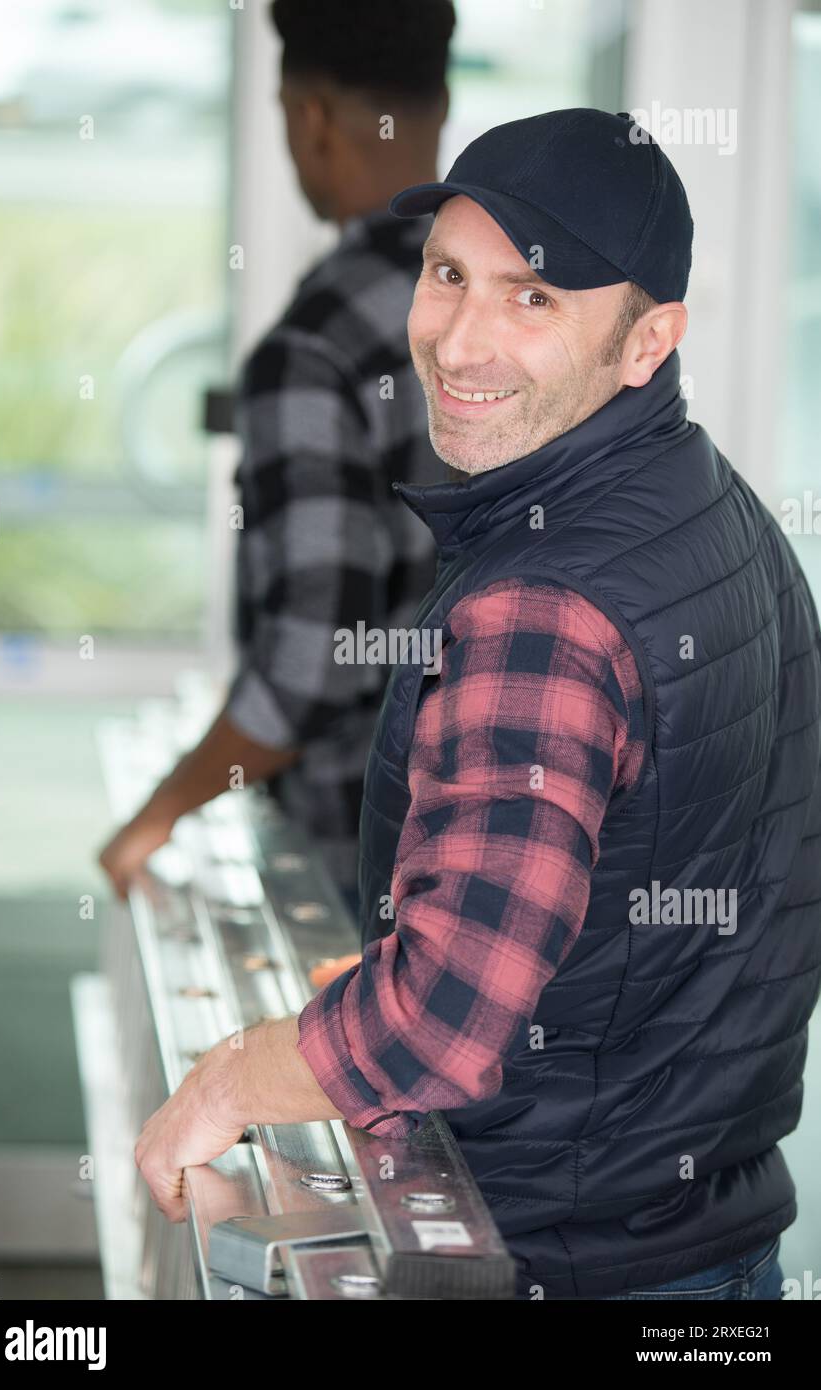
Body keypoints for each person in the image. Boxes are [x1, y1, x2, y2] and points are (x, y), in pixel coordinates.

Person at [132, 109, 821, 1302]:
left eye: (530, 297)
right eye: (446, 274)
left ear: (646, 340)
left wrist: (226, 1083)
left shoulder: (542, 606)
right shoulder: (714, 508)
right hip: (712, 1250)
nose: (456, 342)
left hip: (565, 1260)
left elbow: (437, 1025)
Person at [98, 0, 455, 917]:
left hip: (363, 863)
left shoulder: (316, 350)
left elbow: (311, 668)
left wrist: (159, 813)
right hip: (513, 861)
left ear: (311, 117)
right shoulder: (531, 305)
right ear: (443, 101)